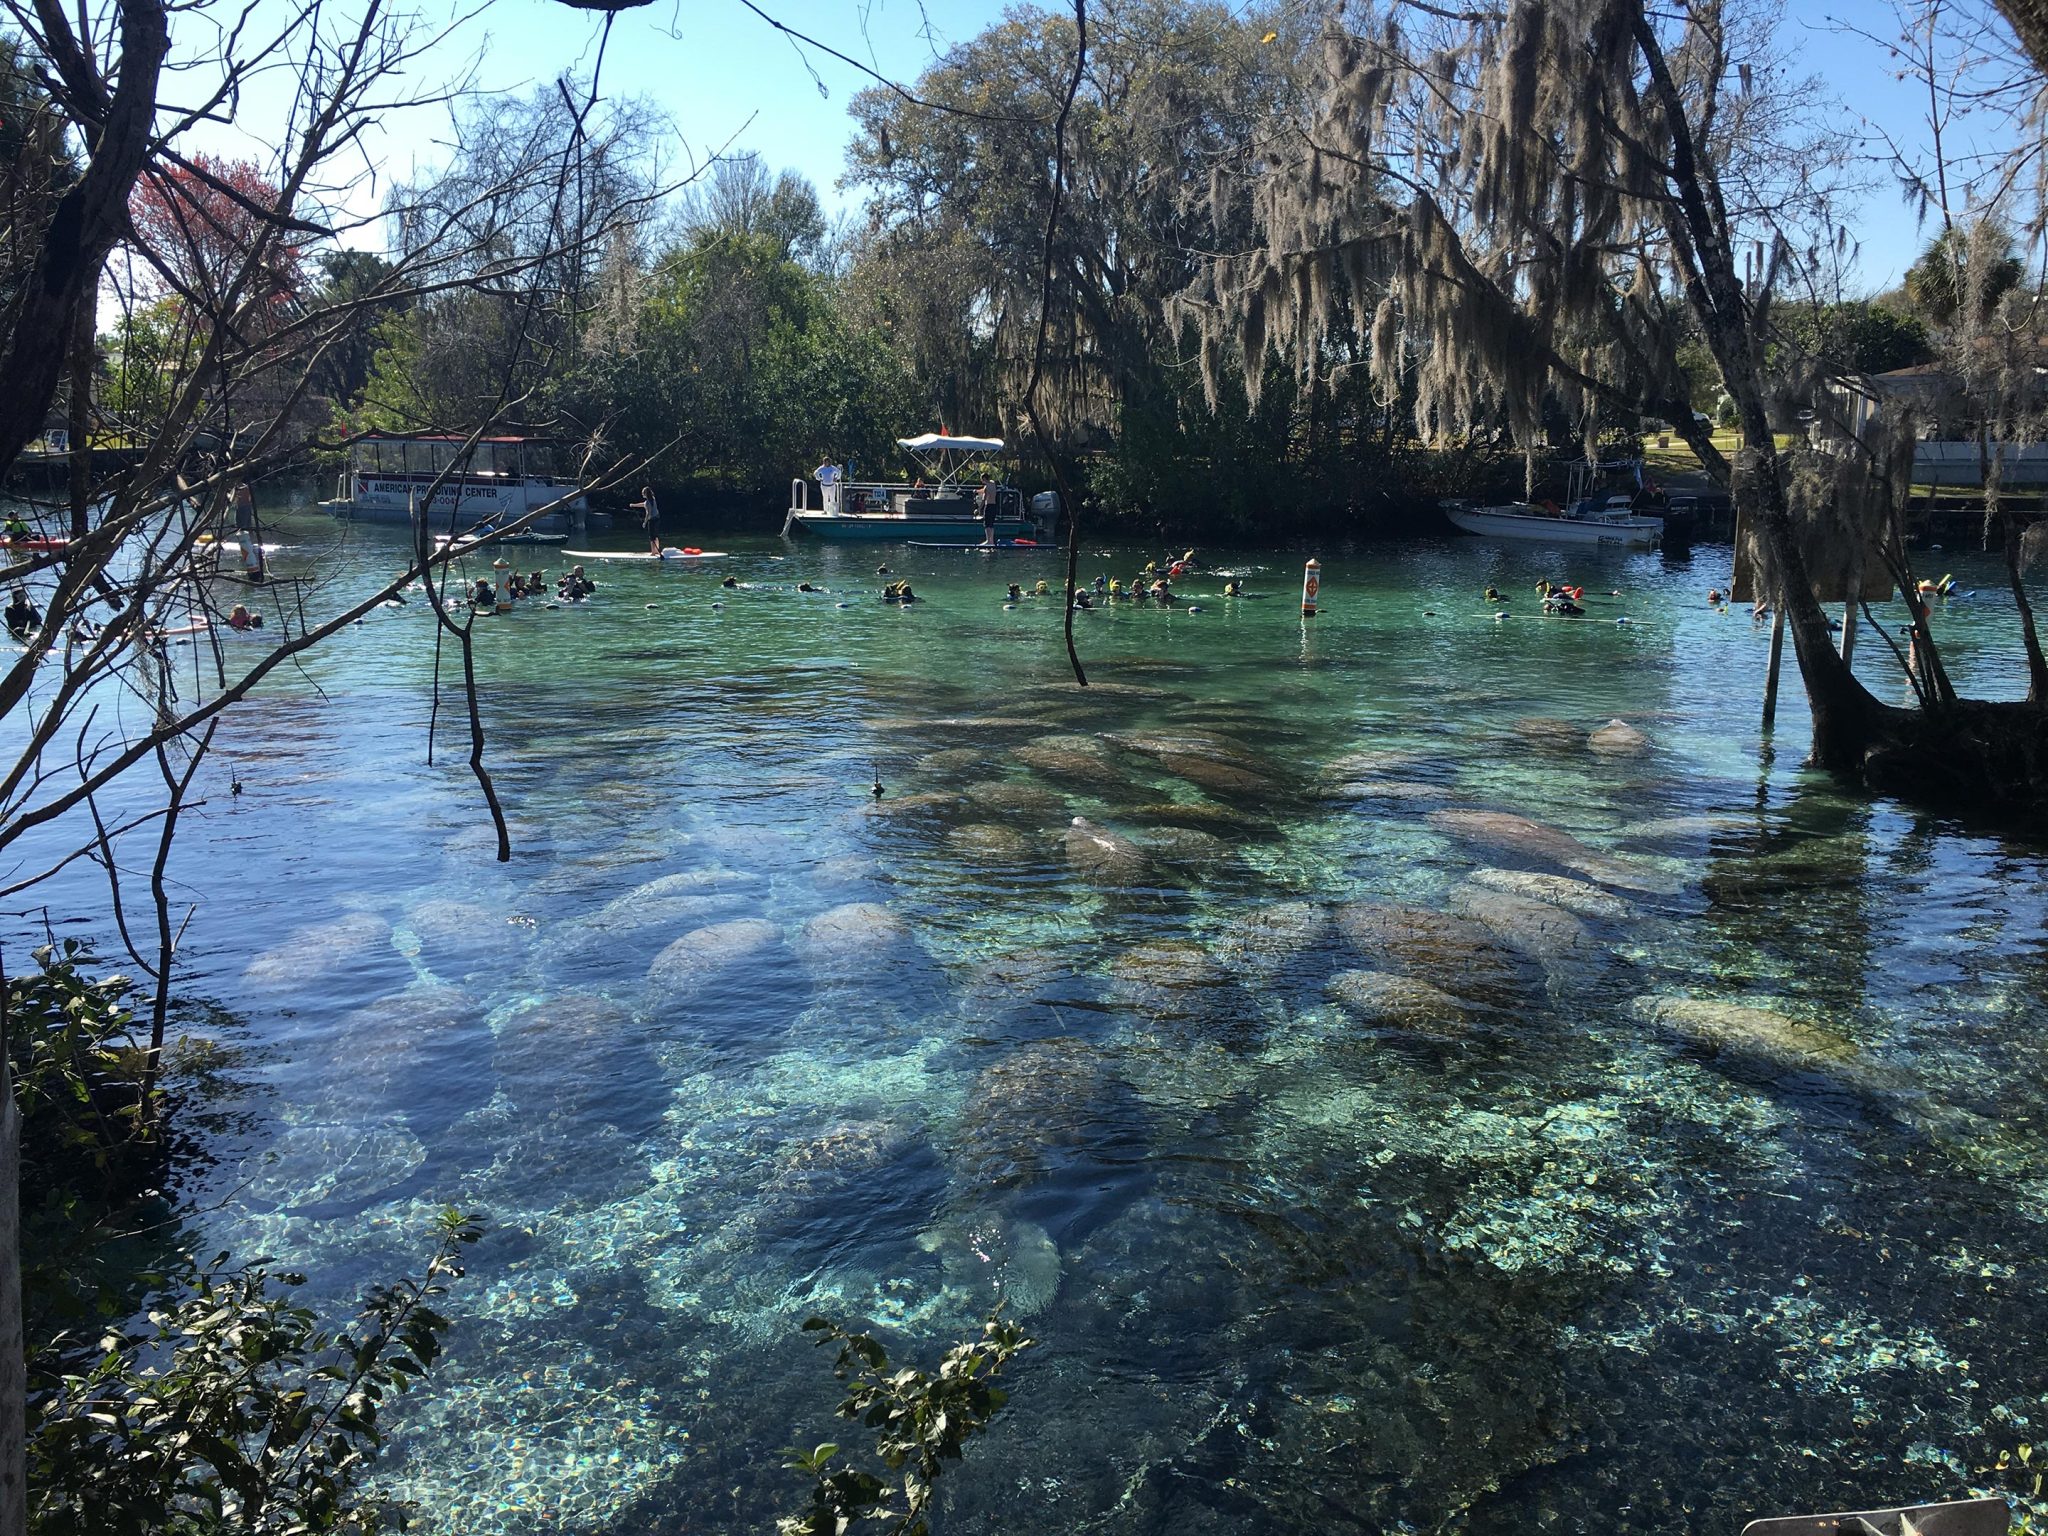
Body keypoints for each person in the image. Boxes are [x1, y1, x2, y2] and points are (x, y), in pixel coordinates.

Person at [634, 485, 661, 555]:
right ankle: (657, 551)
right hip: (657, 519)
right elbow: (644, 504)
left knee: (651, 537)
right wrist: (634, 505)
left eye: (643, 493)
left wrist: (645, 523)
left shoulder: (648, 502)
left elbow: (648, 514)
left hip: (652, 520)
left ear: (645, 494)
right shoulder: (653, 499)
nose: (642, 494)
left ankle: (653, 552)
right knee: (655, 536)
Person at [976, 480, 997, 546]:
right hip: (994, 506)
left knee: (987, 524)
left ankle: (988, 541)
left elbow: (984, 499)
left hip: (988, 506)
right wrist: (977, 491)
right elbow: (985, 489)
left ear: (984, 479)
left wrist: (978, 509)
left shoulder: (986, 487)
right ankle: (992, 541)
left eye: (982, 480)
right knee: (991, 524)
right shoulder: (993, 483)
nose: (981, 481)